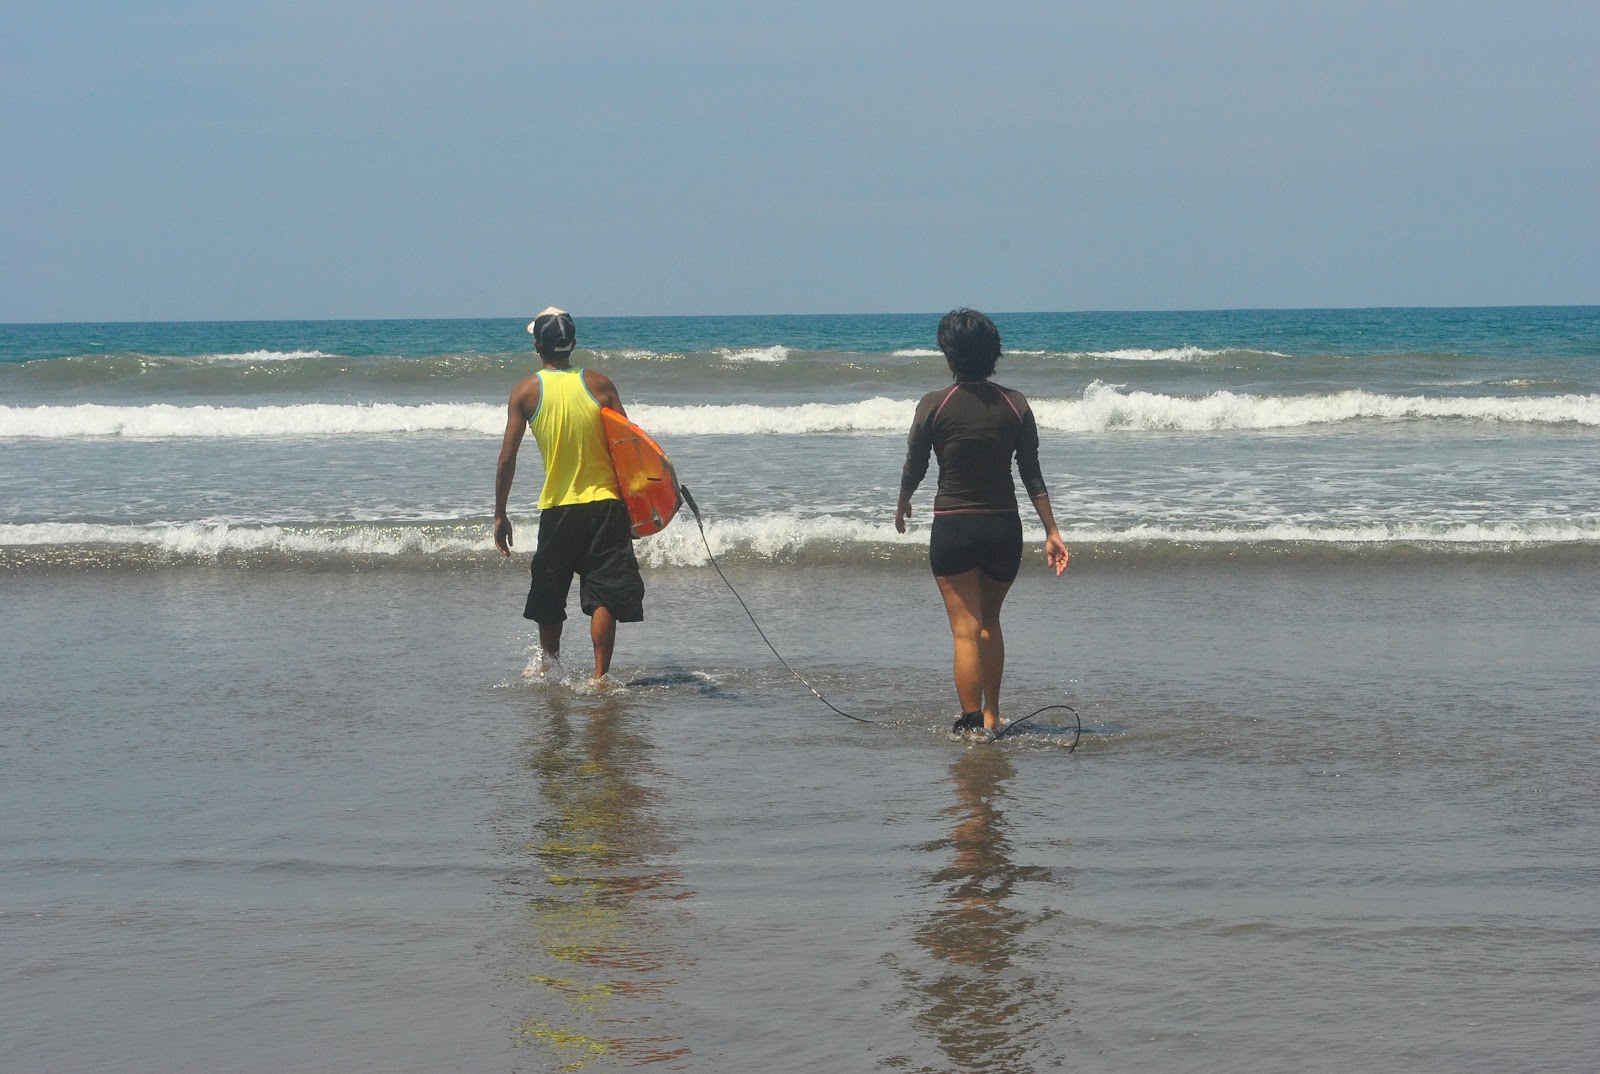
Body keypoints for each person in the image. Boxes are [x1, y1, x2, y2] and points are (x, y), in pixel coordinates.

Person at [895, 308, 1069, 739]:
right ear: (993, 353)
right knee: (990, 622)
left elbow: (915, 464)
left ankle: (971, 725)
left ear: (948, 355)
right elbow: (1032, 473)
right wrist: (1052, 530)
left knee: (964, 631)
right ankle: (992, 718)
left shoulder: (935, 404)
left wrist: (902, 502)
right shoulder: (1016, 403)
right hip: (1003, 529)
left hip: (953, 528)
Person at [494, 307, 644, 682]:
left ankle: (551, 666)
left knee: (550, 591)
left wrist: (500, 513)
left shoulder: (527, 392)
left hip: (559, 509)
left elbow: (507, 458)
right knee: (605, 594)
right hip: (607, 506)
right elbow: (629, 447)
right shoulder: (601, 385)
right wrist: (640, 507)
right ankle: (599, 679)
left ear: (536, 345)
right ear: (572, 344)